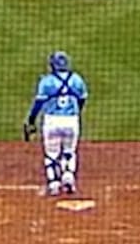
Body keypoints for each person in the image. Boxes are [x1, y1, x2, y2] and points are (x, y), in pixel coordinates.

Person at [23, 50, 88, 196]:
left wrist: (31, 119)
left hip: (52, 121)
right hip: (72, 120)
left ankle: (54, 184)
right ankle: (69, 178)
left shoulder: (46, 81)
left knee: (52, 154)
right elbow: (82, 99)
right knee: (69, 152)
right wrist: (76, 112)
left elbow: (38, 103)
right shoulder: (76, 79)